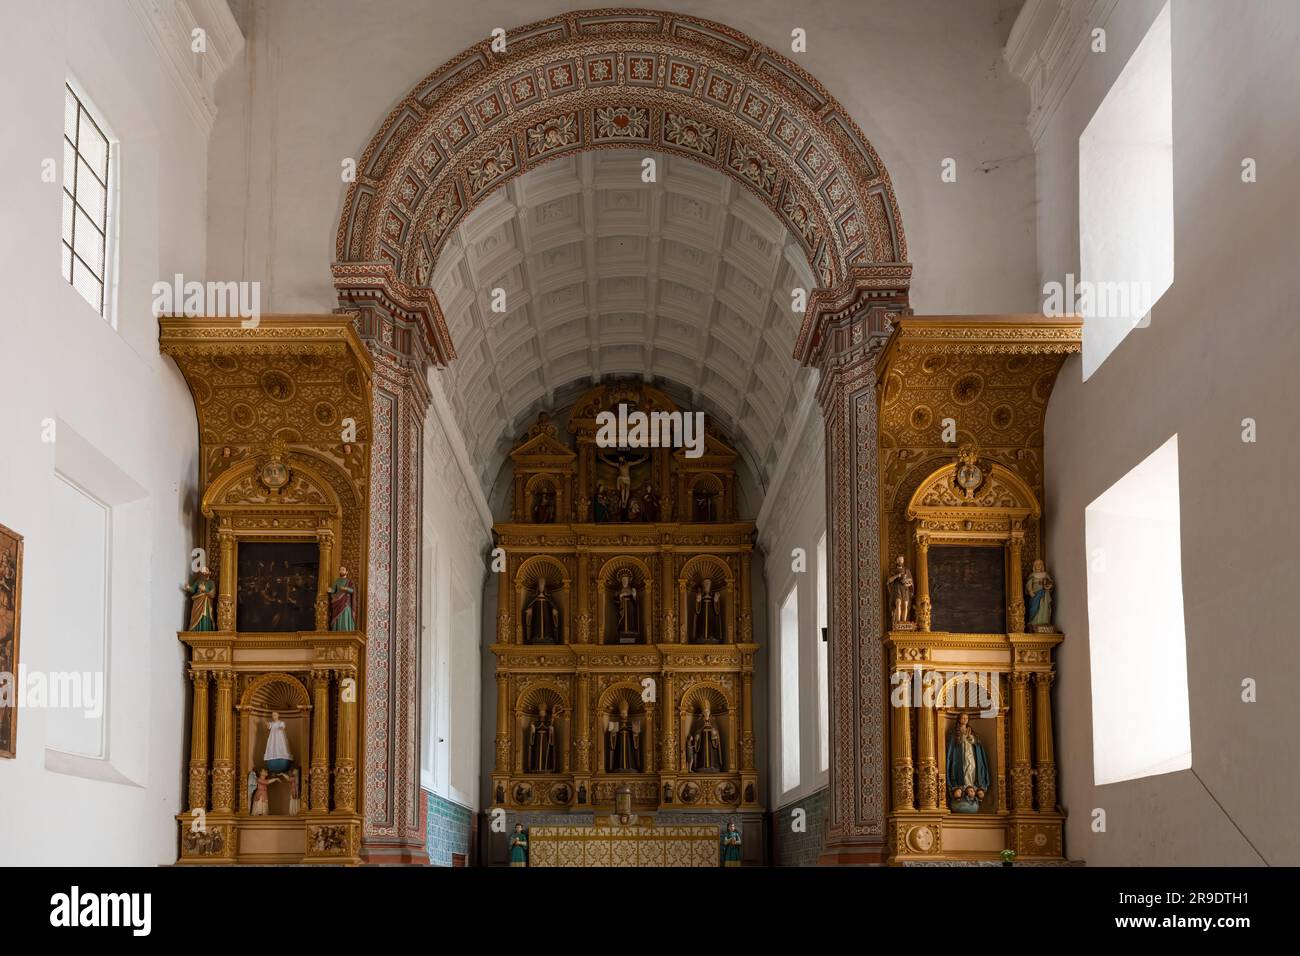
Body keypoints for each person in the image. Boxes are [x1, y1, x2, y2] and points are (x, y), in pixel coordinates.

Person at [328, 566, 356, 631]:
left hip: (346, 603)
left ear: (346, 572)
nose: (341, 571)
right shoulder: (337, 581)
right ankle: (337, 630)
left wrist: (346, 588)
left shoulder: (349, 582)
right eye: (340, 570)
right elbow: (333, 590)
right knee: (337, 616)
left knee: (345, 615)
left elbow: (352, 591)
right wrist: (330, 590)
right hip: (338, 602)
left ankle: (346, 630)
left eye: (343, 570)